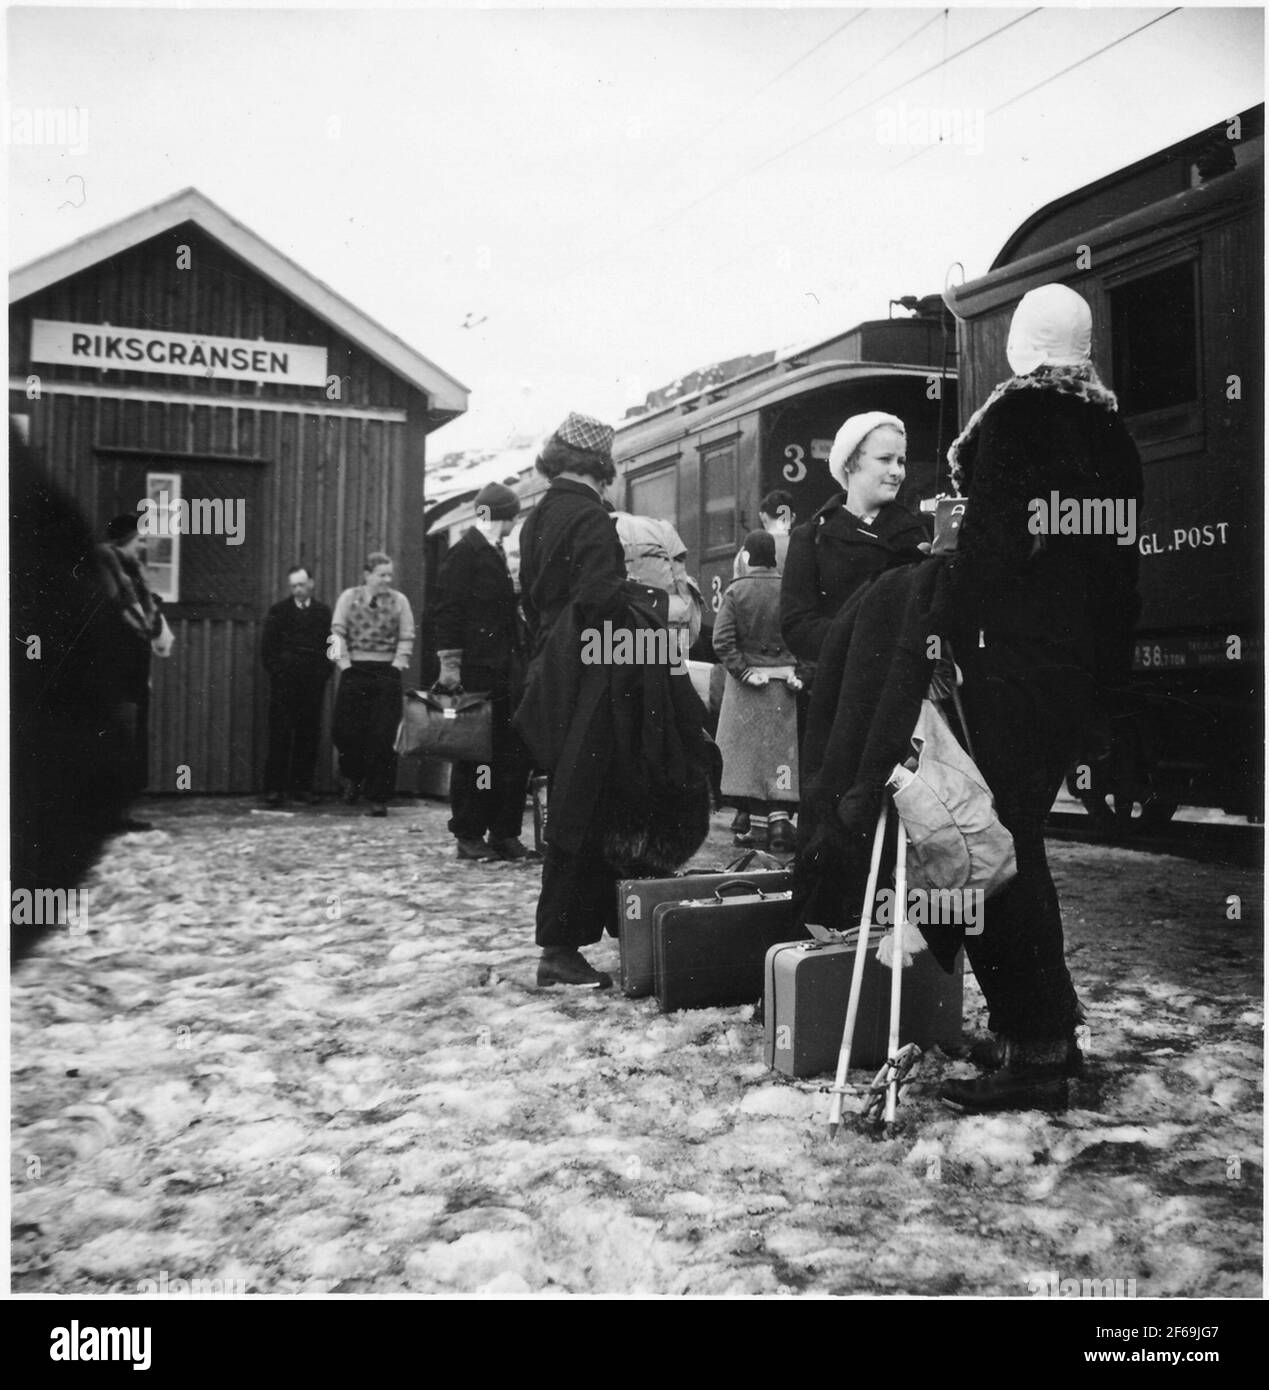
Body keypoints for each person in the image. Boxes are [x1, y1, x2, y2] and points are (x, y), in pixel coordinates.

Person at [937, 283, 1143, 1113]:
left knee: (998, 852)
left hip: (1010, 671)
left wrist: (942, 623)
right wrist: (1104, 693)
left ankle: (1038, 1046)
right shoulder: (1112, 437)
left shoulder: (1014, 423)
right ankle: (1038, 1032)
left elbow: (985, 555)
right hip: (1074, 680)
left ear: (1021, 348)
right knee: (1018, 846)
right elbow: (1120, 583)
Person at [514, 412, 713, 989]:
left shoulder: (537, 518)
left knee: (581, 800)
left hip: (555, 670)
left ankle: (593, 928)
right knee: (592, 801)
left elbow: (537, 602)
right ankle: (562, 945)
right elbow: (600, 600)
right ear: (600, 468)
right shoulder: (592, 520)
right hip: (598, 678)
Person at [432, 481, 535, 862]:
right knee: (477, 755)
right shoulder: (466, 554)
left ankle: (504, 833)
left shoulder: (490, 552)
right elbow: (448, 612)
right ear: (503, 515)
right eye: (513, 515)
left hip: (503, 671)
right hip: (476, 672)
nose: (514, 522)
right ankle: (470, 832)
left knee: (510, 754)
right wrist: (450, 667)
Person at [780, 413, 929, 672]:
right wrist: (865, 640)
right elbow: (797, 627)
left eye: (901, 461)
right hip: (840, 688)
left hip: (905, 688)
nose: (897, 471)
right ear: (850, 463)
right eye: (885, 459)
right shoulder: (810, 537)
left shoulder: (922, 531)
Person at [713, 530, 802, 853]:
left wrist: (743, 670)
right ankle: (780, 822)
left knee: (750, 759)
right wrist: (797, 672)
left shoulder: (737, 591)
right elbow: (803, 634)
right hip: (785, 684)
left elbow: (721, 641)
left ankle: (754, 824)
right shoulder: (789, 589)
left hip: (748, 687)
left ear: (748, 557)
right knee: (780, 756)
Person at [95, 512, 169, 832]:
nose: (142, 547)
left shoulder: (134, 573)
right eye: (139, 540)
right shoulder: (105, 571)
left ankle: (121, 812)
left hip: (136, 669)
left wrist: (153, 614)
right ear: (123, 541)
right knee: (117, 736)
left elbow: (143, 617)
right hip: (115, 669)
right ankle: (106, 814)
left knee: (132, 737)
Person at [330, 552, 415, 817]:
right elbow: (336, 633)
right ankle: (353, 779)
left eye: (390, 575)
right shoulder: (349, 597)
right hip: (355, 670)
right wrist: (344, 665)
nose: (386, 580)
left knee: (383, 735)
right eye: (381, 574)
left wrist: (397, 664)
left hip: (386, 672)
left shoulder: (399, 601)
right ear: (367, 575)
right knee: (346, 732)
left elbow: (407, 636)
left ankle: (378, 797)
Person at [259, 565, 332, 807]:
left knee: (308, 735)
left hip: (312, 686)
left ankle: (303, 788)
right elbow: (267, 650)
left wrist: (323, 674)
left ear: (311, 583)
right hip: (285, 686)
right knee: (279, 735)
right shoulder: (279, 612)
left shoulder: (323, 613)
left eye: (302, 584)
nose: (298, 590)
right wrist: (280, 673)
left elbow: (331, 648)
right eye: (293, 586)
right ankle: (274, 790)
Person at [733, 488, 796, 578]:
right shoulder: (801, 548)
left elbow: (737, 587)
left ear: (763, 517)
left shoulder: (745, 551)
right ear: (793, 517)